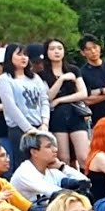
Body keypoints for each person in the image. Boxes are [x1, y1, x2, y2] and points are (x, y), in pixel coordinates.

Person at [0, 44, 50, 176]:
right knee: (25, 166)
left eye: (25, 55)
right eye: (19, 54)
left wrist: (45, 123)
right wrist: (29, 129)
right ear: (10, 57)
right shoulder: (5, 79)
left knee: (44, 164)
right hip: (20, 130)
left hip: (40, 126)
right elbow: (11, 107)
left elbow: (44, 100)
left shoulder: (35, 78)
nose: (23, 58)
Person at [41, 38, 91, 169]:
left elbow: (83, 93)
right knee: (63, 157)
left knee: (84, 156)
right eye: (52, 49)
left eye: (59, 48)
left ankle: (89, 184)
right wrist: (62, 79)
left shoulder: (73, 70)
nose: (56, 52)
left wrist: (60, 100)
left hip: (75, 113)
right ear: (46, 52)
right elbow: (47, 97)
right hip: (56, 117)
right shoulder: (42, 74)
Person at [9, 129, 89, 204]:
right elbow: (56, 193)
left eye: (54, 146)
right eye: (48, 146)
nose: (55, 150)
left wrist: (62, 167)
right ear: (34, 152)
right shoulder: (25, 172)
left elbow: (86, 182)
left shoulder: (51, 169)